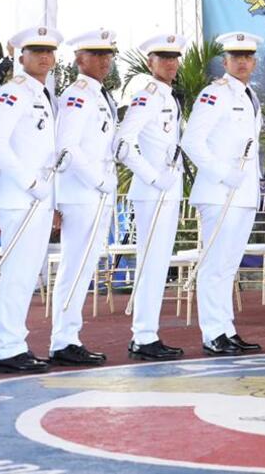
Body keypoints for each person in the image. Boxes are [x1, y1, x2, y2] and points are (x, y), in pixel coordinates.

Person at [182, 31, 265, 356]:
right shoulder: (214, 94)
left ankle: (226, 329)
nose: (242, 62)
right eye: (236, 57)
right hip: (219, 193)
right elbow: (191, 141)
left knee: (228, 266)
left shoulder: (249, 95)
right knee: (214, 264)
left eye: (247, 57)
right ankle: (212, 333)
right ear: (224, 62)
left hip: (243, 194)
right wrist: (222, 173)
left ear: (254, 62)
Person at [0, 25, 63, 373]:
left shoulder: (44, 93)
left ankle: (16, 343)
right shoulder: (13, 92)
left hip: (39, 198)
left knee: (28, 274)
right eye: (37, 52)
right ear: (21, 57)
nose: (45, 57)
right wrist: (31, 183)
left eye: (49, 52)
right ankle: (8, 348)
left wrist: (50, 197)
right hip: (20, 197)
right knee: (17, 274)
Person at [116, 32, 189, 362]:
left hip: (167, 190)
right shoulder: (147, 97)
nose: (171, 64)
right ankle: (143, 336)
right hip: (152, 192)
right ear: (150, 63)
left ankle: (148, 333)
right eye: (164, 58)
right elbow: (122, 144)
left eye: (174, 58)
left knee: (159, 264)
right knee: (151, 262)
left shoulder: (168, 96)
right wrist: (153, 176)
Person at [51, 28, 120, 367]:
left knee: (83, 268)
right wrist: (98, 181)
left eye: (107, 55)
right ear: (79, 59)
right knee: (75, 268)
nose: (103, 61)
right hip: (82, 192)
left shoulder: (100, 94)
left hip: (97, 192)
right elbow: (67, 146)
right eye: (95, 55)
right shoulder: (77, 94)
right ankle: (63, 340)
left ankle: (69, 337)